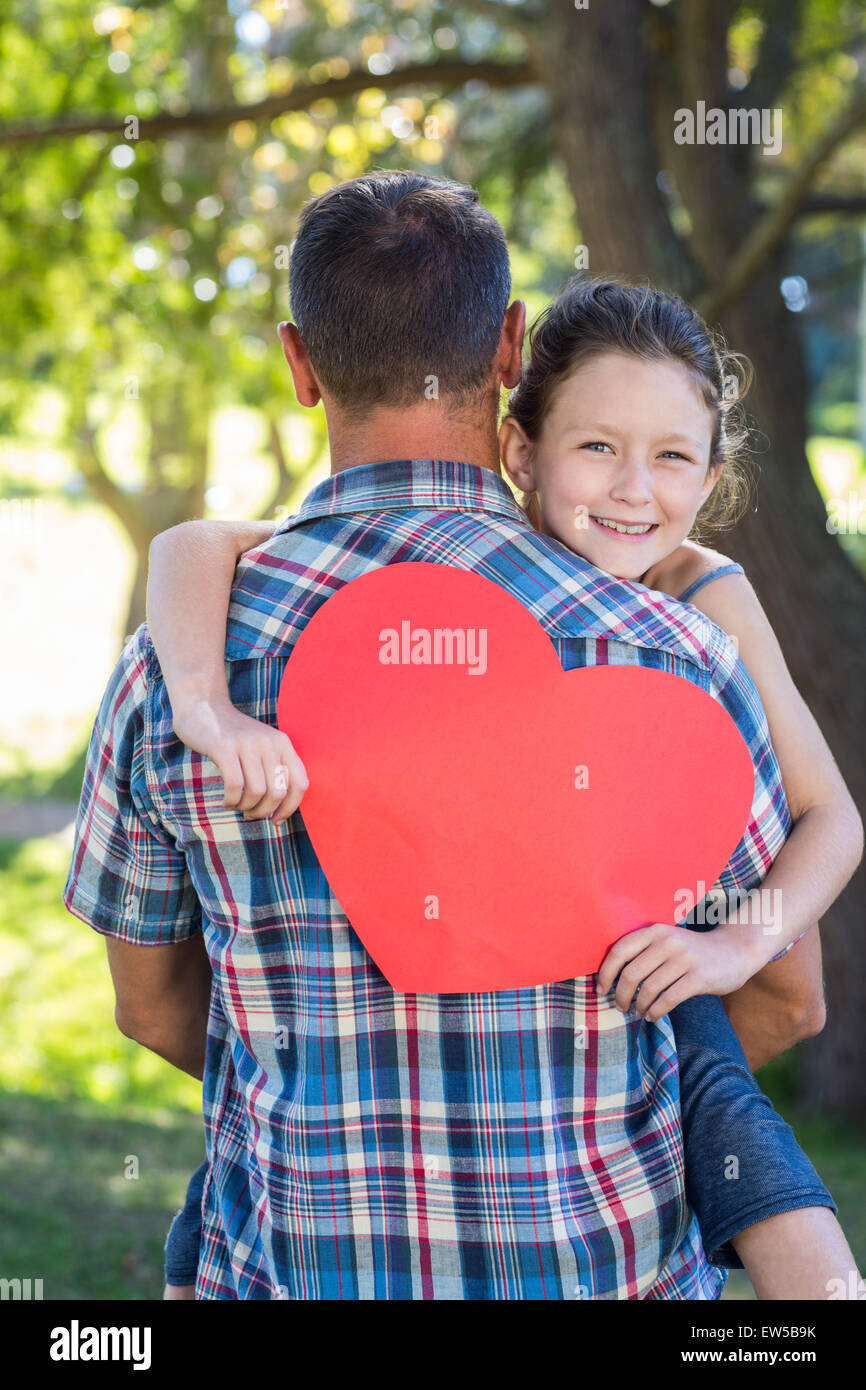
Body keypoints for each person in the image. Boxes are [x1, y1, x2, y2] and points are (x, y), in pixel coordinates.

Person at [63, 173, 860, 1300]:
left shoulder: (180, 662)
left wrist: (330, 1094)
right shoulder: (672, 652)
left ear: (298, 364)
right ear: (508, 349)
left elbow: (150, 1006)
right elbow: (788, 996)